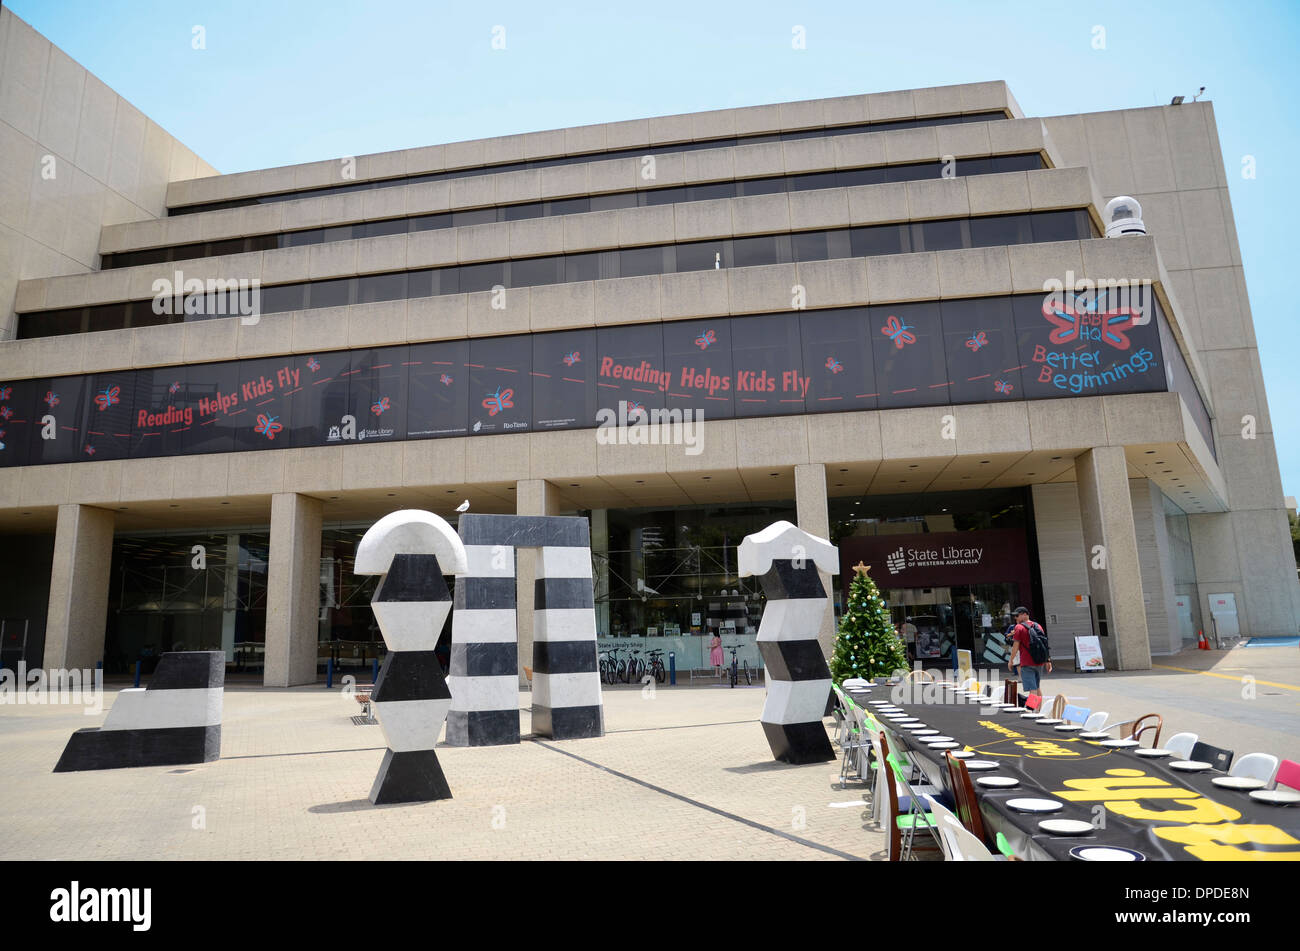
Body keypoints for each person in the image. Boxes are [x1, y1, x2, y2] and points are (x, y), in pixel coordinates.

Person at [1008, 606, 1052, 698]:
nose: (1015, 618)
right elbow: (1044, 645)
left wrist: (1011, 660)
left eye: (1017, 615)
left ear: (1025, 615)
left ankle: (1034, 711)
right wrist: (1048, 661)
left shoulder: (1019, 627)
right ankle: (1038, 710)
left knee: (1033, 689)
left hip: (1027, 663)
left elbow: (1015, 647)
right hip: (1039, 662)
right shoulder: (1038, 626)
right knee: (1037, 687)